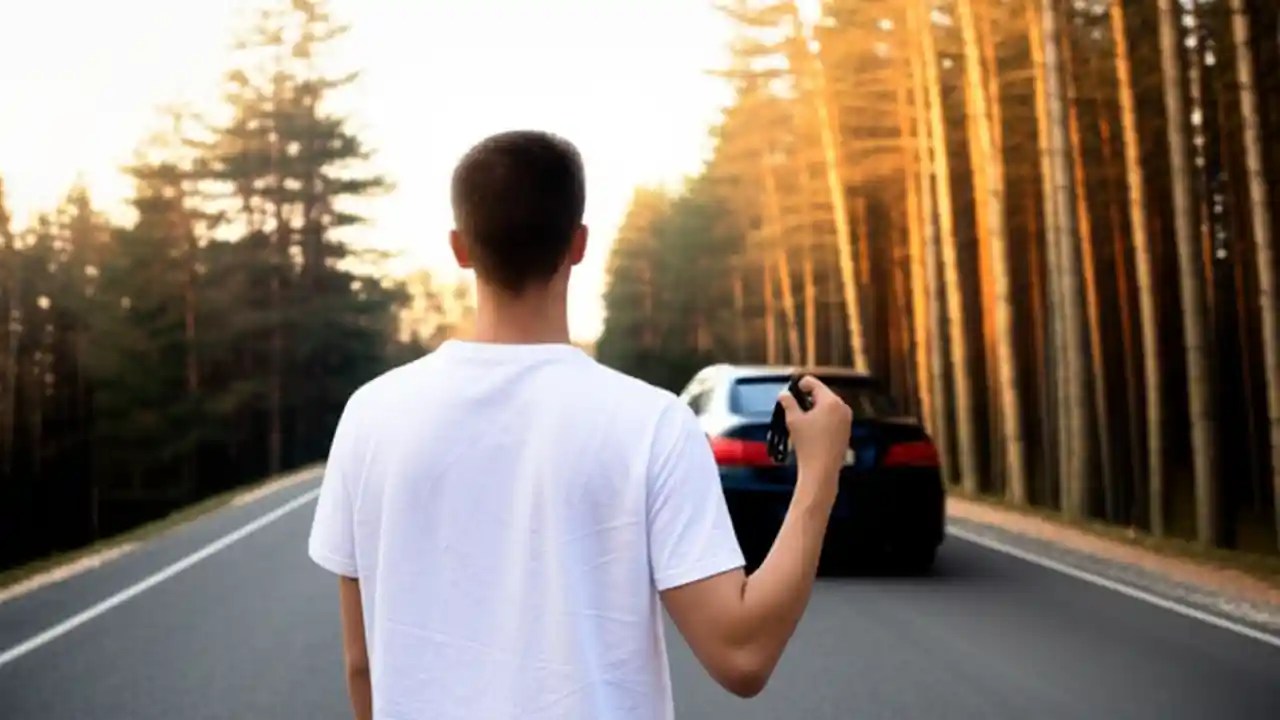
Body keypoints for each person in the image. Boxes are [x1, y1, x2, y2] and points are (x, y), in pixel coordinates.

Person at [307, 129, 853, 720]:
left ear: (460, 248)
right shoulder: (651, 423)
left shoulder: (371, 413)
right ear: (579, 244)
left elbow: (362, 663)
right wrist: (819, 472)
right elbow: (741, 654)